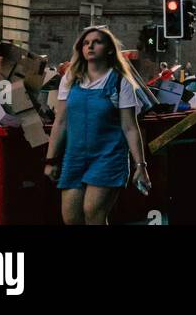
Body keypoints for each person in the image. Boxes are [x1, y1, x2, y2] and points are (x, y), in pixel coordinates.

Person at [45, 26, 150, 225]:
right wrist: (51, 160)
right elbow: (61, 122)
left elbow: (130, 127)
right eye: (86, 43)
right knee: (71, 218)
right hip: (74, 157)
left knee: (93, 213)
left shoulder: (120, 82)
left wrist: (140, 166)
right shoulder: (70, 78)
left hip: (108, 157)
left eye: (97, 42)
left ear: (109, 49)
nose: (90, 46)